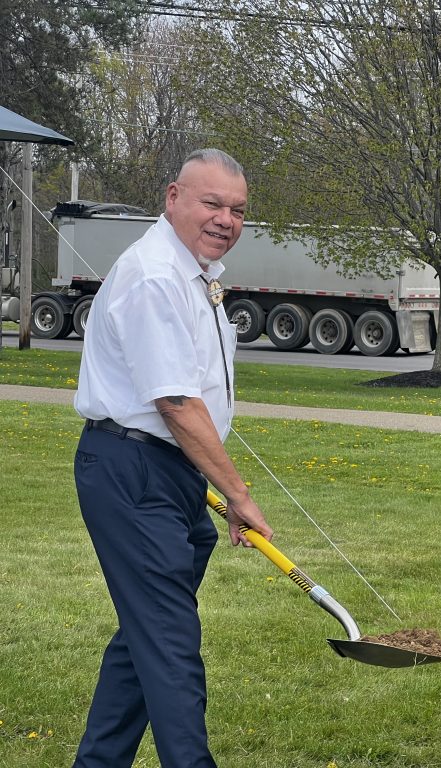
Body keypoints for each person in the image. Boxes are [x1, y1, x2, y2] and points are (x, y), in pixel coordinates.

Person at [71, 148, 273, 768]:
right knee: (171, 644)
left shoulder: (192, 272)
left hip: (167, 472)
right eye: (212, 203)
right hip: (133, 470)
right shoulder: (157, 275)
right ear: (173, 197)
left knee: (145, 640)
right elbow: (178, 402)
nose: (225, 220)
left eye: (237, 210)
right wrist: (239, 495)